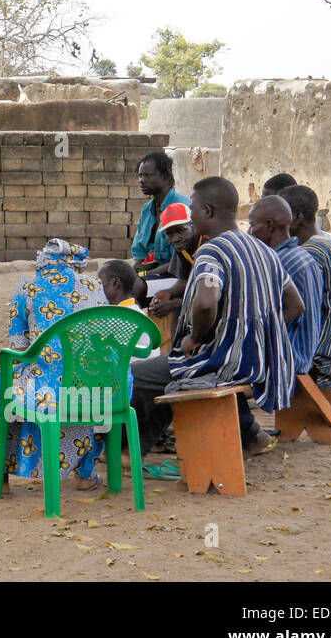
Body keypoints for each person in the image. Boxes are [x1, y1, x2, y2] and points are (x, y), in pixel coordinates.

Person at [129, 177, 303, 459]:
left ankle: (129, 450)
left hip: (226, 362)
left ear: (207, 211)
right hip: (263, 361)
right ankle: (249, 436)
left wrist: (195, 337)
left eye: (193, 210)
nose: (191, 216)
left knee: (139, 375)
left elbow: (206, 303)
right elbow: (296, 305)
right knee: (170, 368)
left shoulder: (212, 250)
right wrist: (260, 335)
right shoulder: (266, 252)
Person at [0, 239, 110, 495]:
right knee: (69, 393)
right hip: (93, 388)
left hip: (45, 391)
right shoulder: (95, 286)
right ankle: (85, 475)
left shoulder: (29, 288)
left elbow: (19, 346)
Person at [279, 184, 331, 389]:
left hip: (322, 363)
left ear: (296, 218)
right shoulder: (330, 242)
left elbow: (299, 311)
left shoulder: (310, 254)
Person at [249, 195, 323, 374]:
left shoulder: (278, 262)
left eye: (252, 225)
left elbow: (295, 309)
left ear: (269, 225)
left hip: (289, 358)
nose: (249, 232)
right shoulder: (302, 256)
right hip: (304, 353)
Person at [146, 203, 209, 318]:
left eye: (181, 230)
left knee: (178, 304)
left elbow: (209, 290)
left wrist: (177, 304)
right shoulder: (183, 246)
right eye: (169, 234)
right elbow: (184, 279)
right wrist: (168, 292)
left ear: (192, 224)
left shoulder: (208, 245)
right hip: (202, 289)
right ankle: (176, 336)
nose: (175, 238)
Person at [132, 151, 189, 275]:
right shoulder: (147, 209)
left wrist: (144, 276)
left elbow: (181, 261)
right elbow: (139, 253)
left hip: (177, 275)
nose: (141, 180)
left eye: (148, 175)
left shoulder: (181, 207)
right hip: (155, 270)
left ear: (165, 176)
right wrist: (131, 273)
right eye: (140, 176)